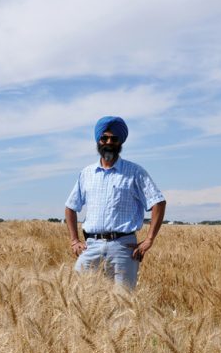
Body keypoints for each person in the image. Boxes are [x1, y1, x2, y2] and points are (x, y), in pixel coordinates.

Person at [65, 116, 166, 289]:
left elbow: (158, 202)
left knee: (123, 301)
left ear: (120, 142)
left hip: (123, 248)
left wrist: (149, 239)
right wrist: (74, 240)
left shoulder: (135, 172)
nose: (109, 142)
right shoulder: (87, 173)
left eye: (114, 138)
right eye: (104, 138)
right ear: (98, 141)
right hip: (91, 246)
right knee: (78, 296)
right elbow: (70, 207)